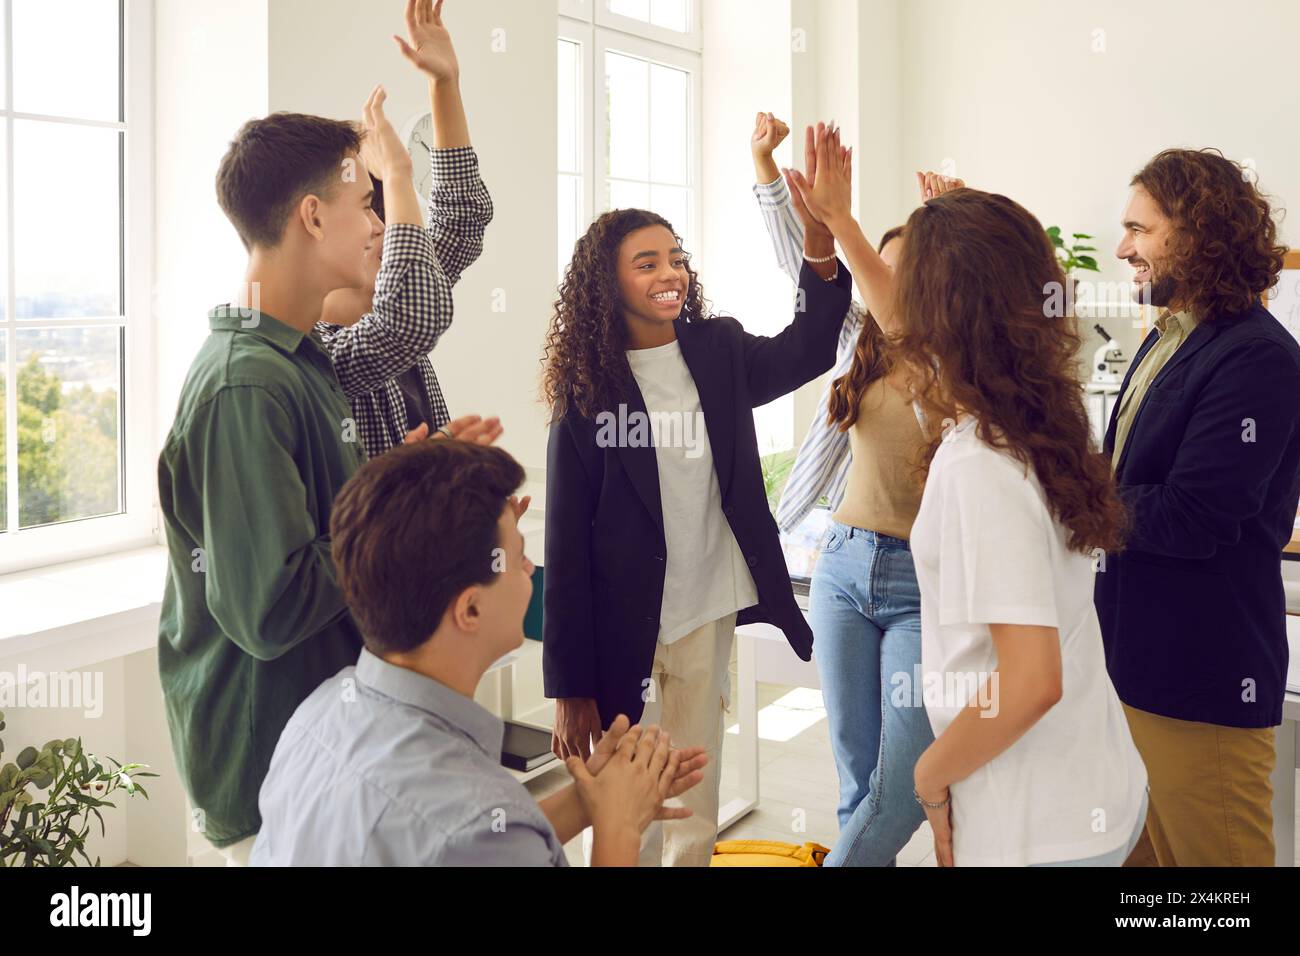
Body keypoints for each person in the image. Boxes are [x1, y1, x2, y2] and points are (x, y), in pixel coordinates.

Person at [157, 3, 496, 865]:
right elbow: (270, 609)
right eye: (362, 199)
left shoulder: (296, 359)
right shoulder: (246, 383)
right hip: (273, 775)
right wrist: (402, 506)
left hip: (320, 753)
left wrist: (406, 477)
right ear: (312, 217)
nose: (380, 219)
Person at [792, 125, 1148, 866]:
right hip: (1087, 789)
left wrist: (929, 772)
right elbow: (903, 322)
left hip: (1038, 825)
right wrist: (845, 226)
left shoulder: (979, 461)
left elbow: (1030, 682)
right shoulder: (1035, 410)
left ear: (939, 316)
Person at [541, 204, 852, 866]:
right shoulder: (586, 392)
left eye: (676, 258)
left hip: (703, 609)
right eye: (647, 263)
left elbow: (809, 348)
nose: (670, 273)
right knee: (631, 805)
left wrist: (820, 248)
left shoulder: (718, 351)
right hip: (622, 629)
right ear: (607, 283)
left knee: (693, 799)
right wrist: (569, 687)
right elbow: (565, 546)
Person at [251, 440, 708, 866]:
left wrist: (588, 799)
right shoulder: (478, 827)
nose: (530, 570)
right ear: (469, 608)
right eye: (518, 557)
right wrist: (619, 829)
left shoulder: (315, 716)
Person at [1094, 148, 1300, 866]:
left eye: (1138, 230)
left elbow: (1193, 515)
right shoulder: (1166, 339)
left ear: (1197, 233)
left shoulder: (1256, 357)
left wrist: (1077, 496)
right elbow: (1133, 477)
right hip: (1133, 667)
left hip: (1201, 678)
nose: (1123, 247)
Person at [752, 112, 939, 866]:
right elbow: (801, 259)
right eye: (874, 269)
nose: (877, 282)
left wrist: (946, 211)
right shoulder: (857, 337)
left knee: (906, 776)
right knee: (855, 771)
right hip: (843, 566)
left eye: (892, 271)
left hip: (928, 582)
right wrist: (767, 169)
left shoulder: (964, 364)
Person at [318, 0, 500, 457]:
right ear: (314, 225)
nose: (382, 225)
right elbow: (406, 320)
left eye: (380, 208)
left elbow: (462, 219)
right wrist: (397, 174)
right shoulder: (322, 358)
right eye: (367, 209)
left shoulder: (394, 295)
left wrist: (445, 84)